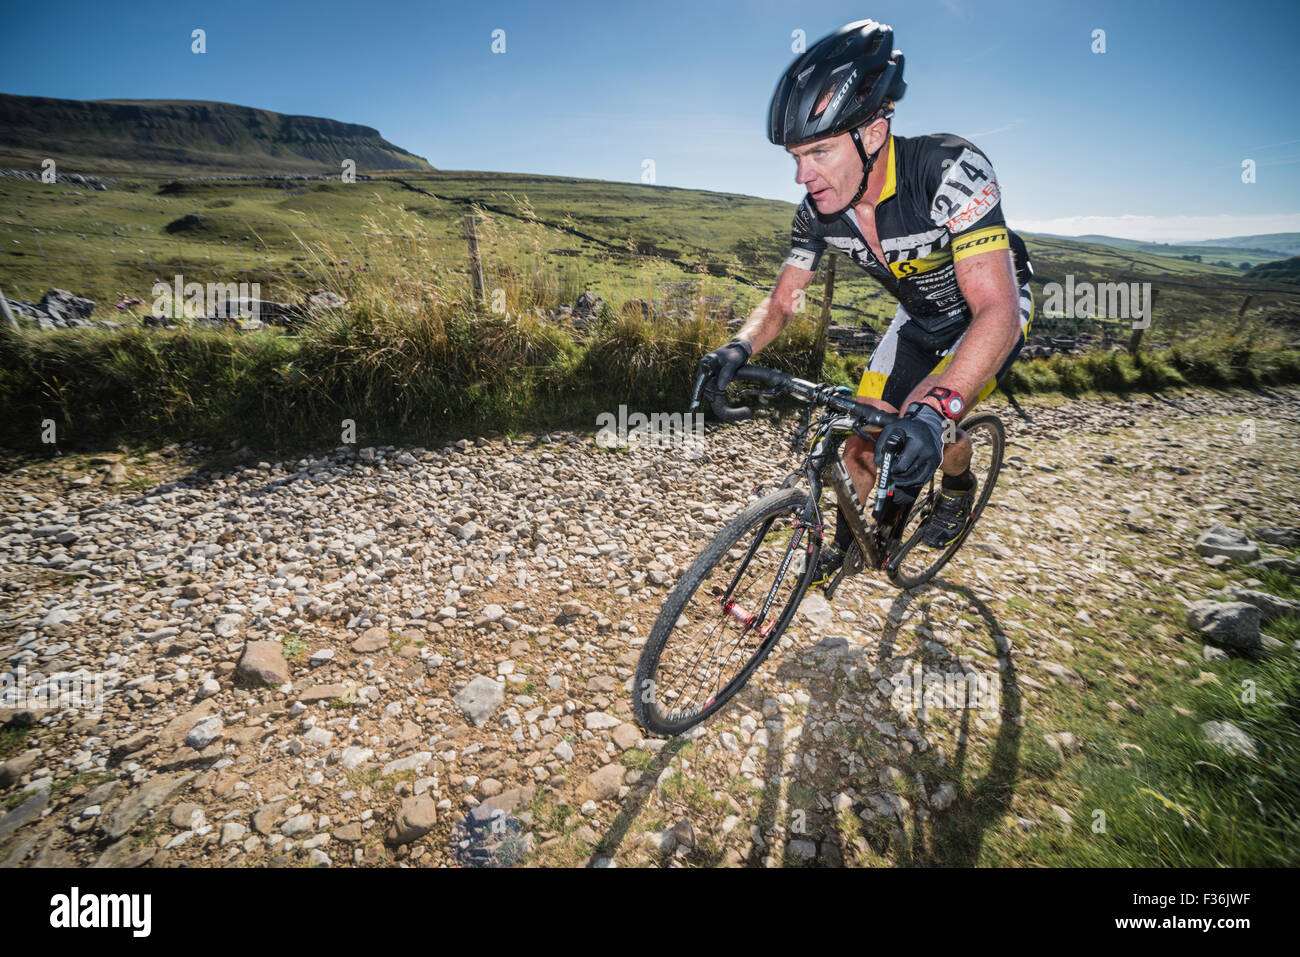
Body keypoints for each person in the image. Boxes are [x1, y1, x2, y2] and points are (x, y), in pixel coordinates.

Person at [697, 18, 1034, 590]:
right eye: (796, 156)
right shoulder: (819, 212)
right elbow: (782, 304)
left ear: (873, 134)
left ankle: (956, 489)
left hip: (989, 313)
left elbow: (995, 312)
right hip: (918, 319)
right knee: (860, 443)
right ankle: (861, 541)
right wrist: (737, 346)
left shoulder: (946, 170)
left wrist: (938, 409)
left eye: (820, 152)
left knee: (930, 423)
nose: (804, 175)